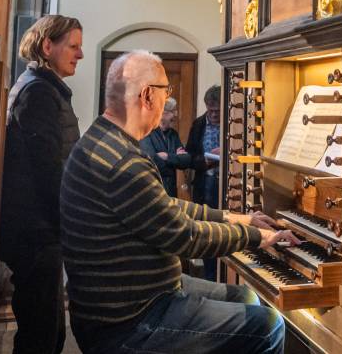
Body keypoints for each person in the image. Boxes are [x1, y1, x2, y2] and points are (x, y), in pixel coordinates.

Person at [60, 51, 298, 354]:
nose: (168, 100)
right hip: (127, 321)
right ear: (148, 95)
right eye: (166, 90)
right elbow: (184, 236)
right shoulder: (123, 162)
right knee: (268, 327)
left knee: (245, 298)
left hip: (136, 297)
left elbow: (165, 207)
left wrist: (237, 217)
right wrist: (258, 237)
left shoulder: (102, 139)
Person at [0, 15, 83, 354]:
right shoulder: (38, 93)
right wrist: (73, 219)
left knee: (49, 333)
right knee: (41, 337)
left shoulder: (41, 87)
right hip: (36, 232)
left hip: (40, 229)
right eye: (73, 46)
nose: (79, 54)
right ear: (48, 46)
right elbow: (47, 171)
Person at [138, 96, 192, 198]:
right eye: (173, 111)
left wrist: (166, 156)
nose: (176, 114)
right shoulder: (146, 132)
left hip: (170, 193)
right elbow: (152, 161)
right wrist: (176, 159)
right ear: (162, 112)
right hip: (152, 192)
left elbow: (186, 160)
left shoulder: (173, 134)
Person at [187, 84, 223, 209]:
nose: (213, 115)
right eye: (210, 110)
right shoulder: (198, 124)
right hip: (204, 180)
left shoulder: (234, 124)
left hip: (226, 181)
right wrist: (204, 161)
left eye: (217, 111)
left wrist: (226, 152)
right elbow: (189, 157)